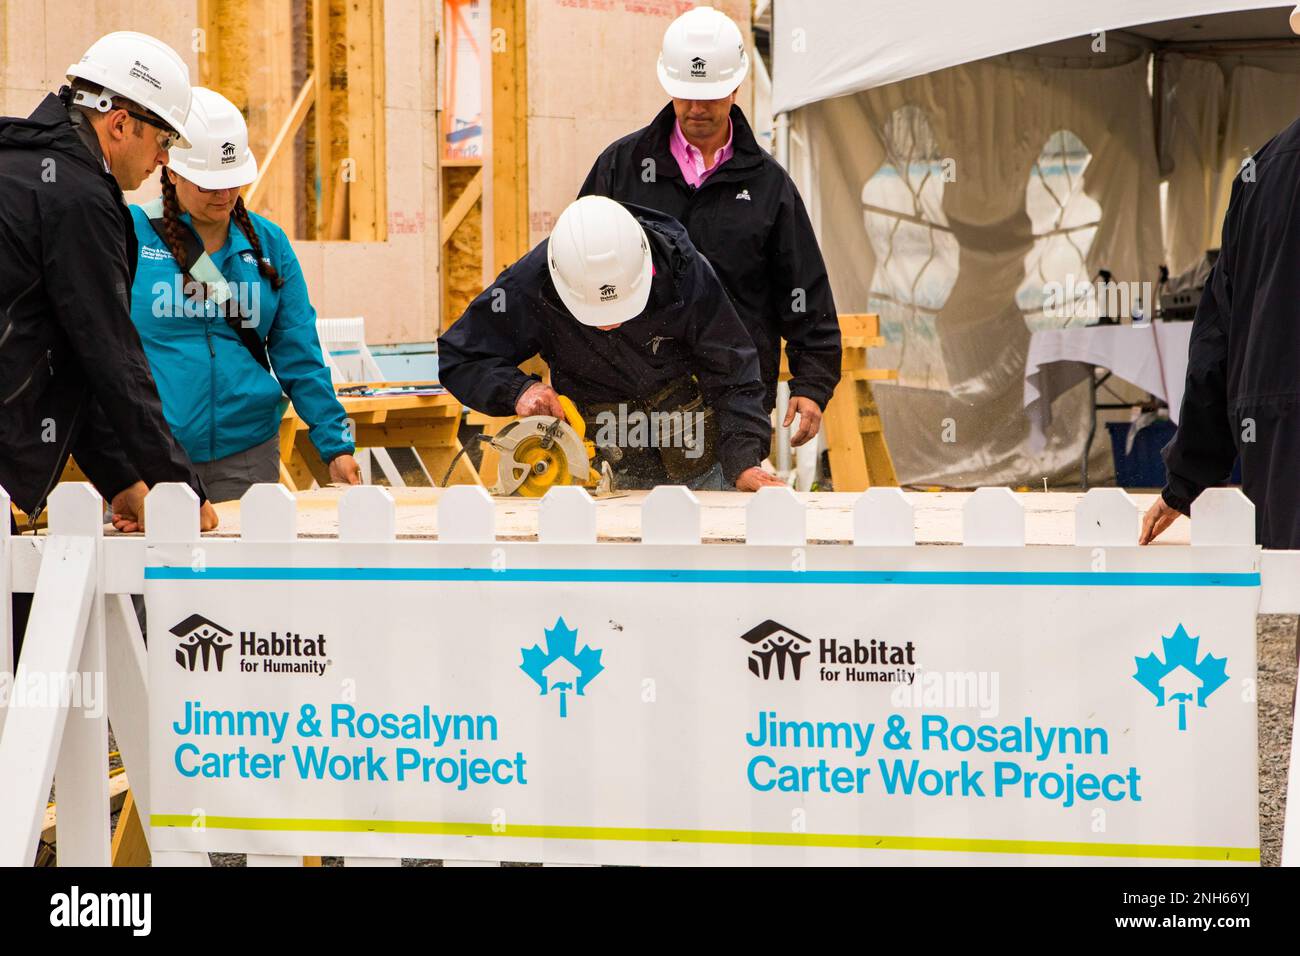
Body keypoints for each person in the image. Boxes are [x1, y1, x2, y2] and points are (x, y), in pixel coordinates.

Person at [579, 5, 841, 449]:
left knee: (734, 515)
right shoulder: (620, 168)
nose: (697, 108)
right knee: (628, 516)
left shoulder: (768, 185)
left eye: (711, 95)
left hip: (735, 398)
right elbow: (575, 266)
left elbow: (802, 288)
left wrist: (811, 382)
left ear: (736, 86)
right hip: (631, 399)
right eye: (685, 95)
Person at [0, 32, 216, 534]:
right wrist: (179, 490)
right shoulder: (77, 198)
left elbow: (72, 356)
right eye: (164, 140)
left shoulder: (23, 172)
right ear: (120, 123)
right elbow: (111, 357)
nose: (164, 159)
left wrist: (122, 479)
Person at [437, 195, 781, 491]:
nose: (610, 323)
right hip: (601, 472)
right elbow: (461, 355)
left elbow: (733, 368)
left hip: (702, 462)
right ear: (559, 279)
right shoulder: (529, 284)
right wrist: (518, 390)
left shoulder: (683, 270)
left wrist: (742, 460)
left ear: (644, 266)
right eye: (595, 313)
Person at [129, 88, 360, 502]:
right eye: (209, 184)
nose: (223, 194)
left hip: (247, 453)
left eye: (232, 181)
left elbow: (299, 353)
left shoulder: (270, 244)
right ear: (172, 171)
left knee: (245, 567)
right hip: (151, 453)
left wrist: (336, 445)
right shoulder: (128, 235)